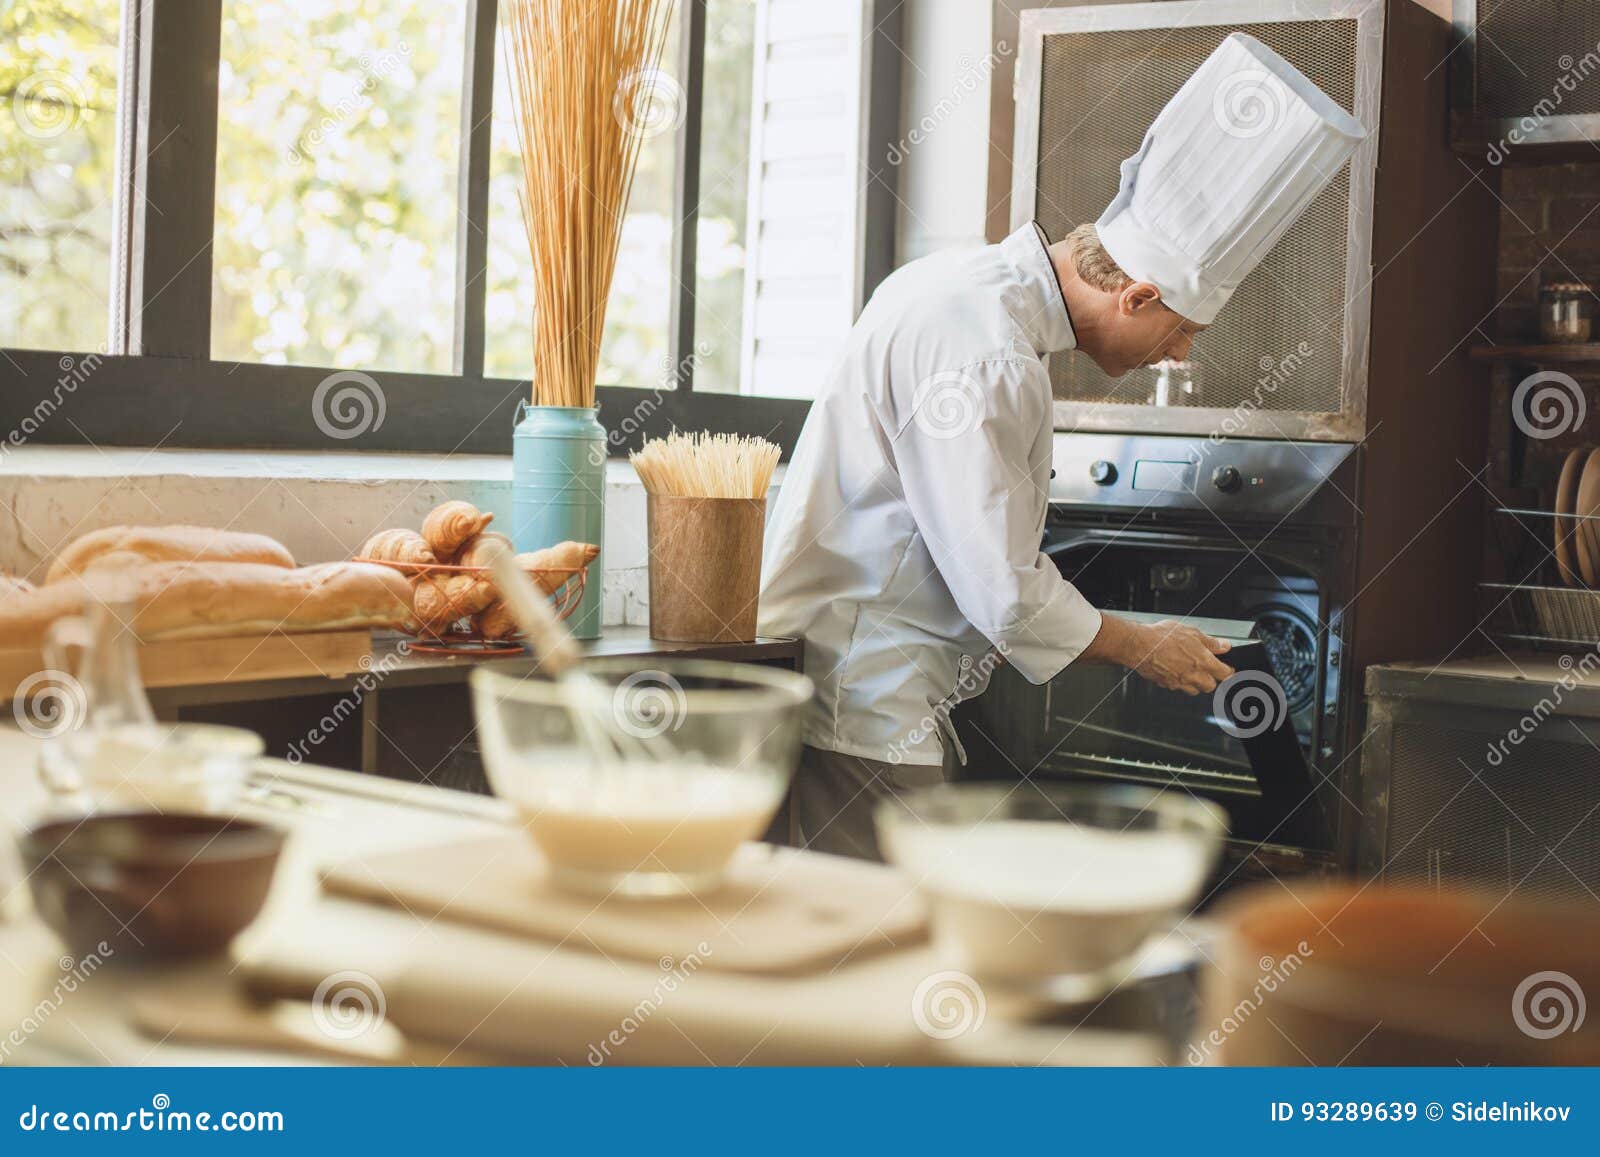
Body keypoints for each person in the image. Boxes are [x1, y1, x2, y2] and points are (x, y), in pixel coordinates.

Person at [759, 33, 1367, 859]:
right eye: (1182, 329)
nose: (1179, 354)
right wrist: (1144, 648)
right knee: (878, 953)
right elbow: (1003, 593)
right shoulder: (987, 352)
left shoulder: (959, 292)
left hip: (868, 682)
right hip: (868, 698)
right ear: (1139, 294)